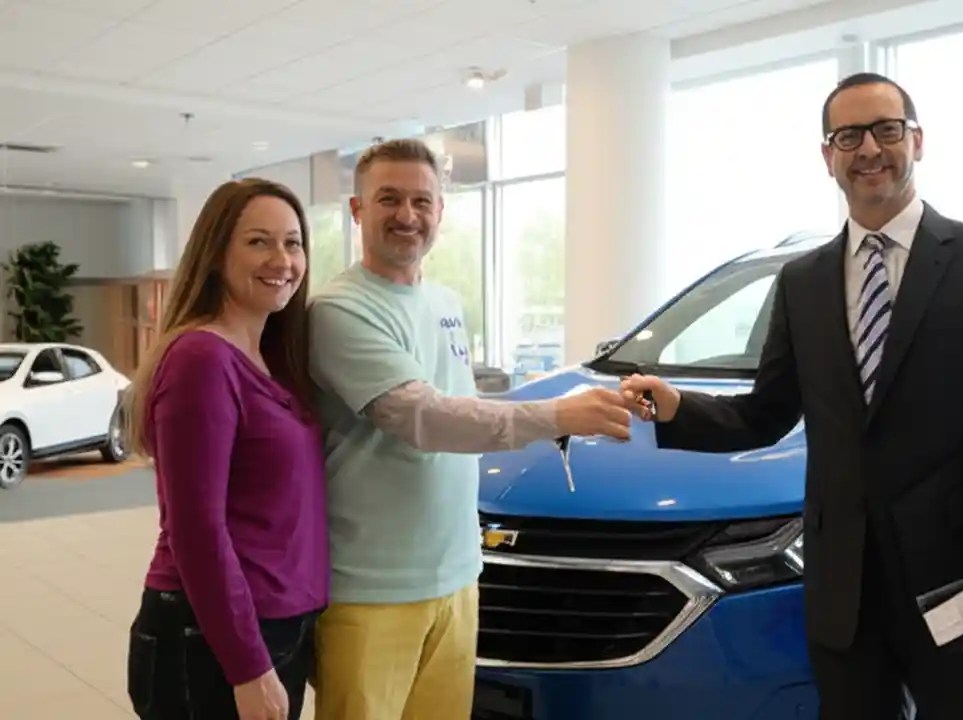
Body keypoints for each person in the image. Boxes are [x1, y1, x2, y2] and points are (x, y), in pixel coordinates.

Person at [621, 72, 963, 719]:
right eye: (847, 136)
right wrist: (675, 406)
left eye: (885, 130)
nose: (868, 150)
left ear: (917, 140)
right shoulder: (803, 281)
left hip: (960, 588)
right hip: (842, 597)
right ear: (828, 156)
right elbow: (764, 413)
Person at [307, 138, 633, 720]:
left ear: (440, 210)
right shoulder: (339, 310)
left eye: (421, 201)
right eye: (388, 199)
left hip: (458, 576)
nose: (407, 216)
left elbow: (464, 407)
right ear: (357, 211)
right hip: (373, 589)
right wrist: (557, 414)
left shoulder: (446, 301)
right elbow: (421, 417)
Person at [124, 178, 328, 720]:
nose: (281, 259)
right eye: (259, 241)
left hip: (272, 626)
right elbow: (196, 529)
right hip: (213, 637)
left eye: (293, 242)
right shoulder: (202, 360)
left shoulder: (268, 358)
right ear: (216, 254)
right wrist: (248, 667)